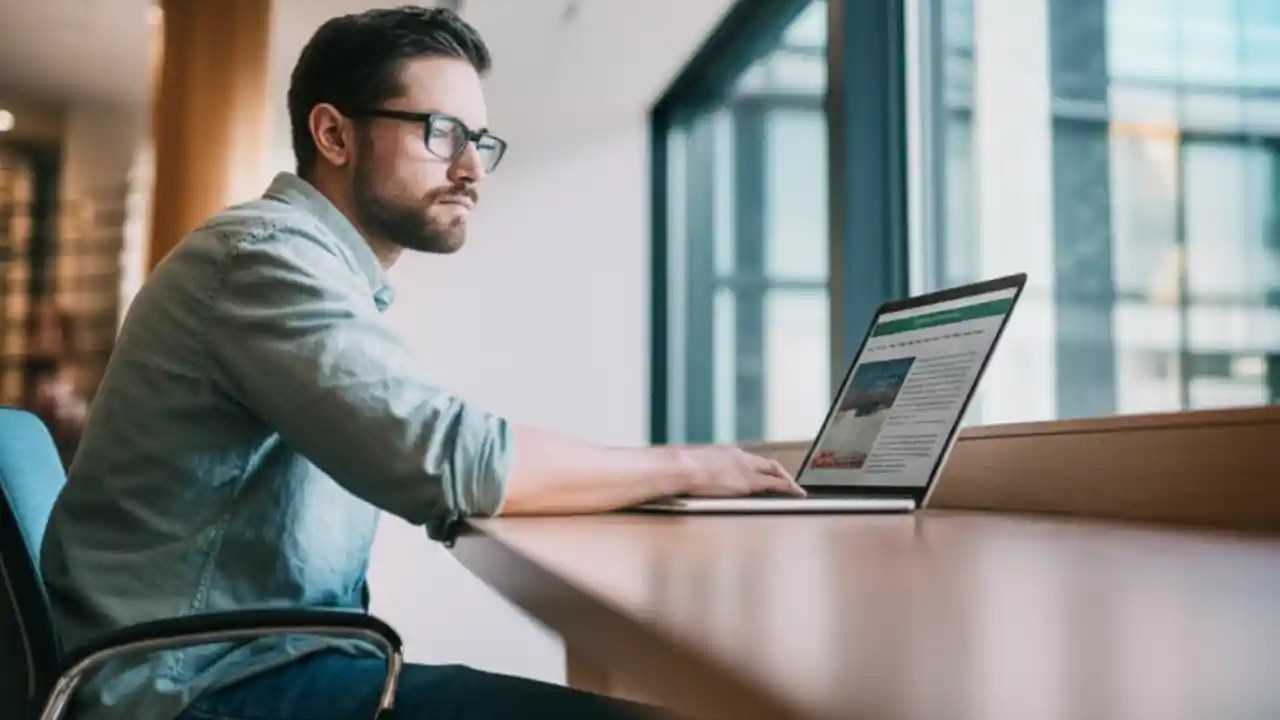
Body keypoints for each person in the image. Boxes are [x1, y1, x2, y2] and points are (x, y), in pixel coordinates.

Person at [39, 7, 803, 720]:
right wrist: (687, 466)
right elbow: (449, 460)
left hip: (243, 662)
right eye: (441, 132)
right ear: (334, 136)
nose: (472, 168)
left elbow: (441, 448)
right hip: (192, 685)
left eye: (481, 141)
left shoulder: (312, 274)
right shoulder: (262, 261)